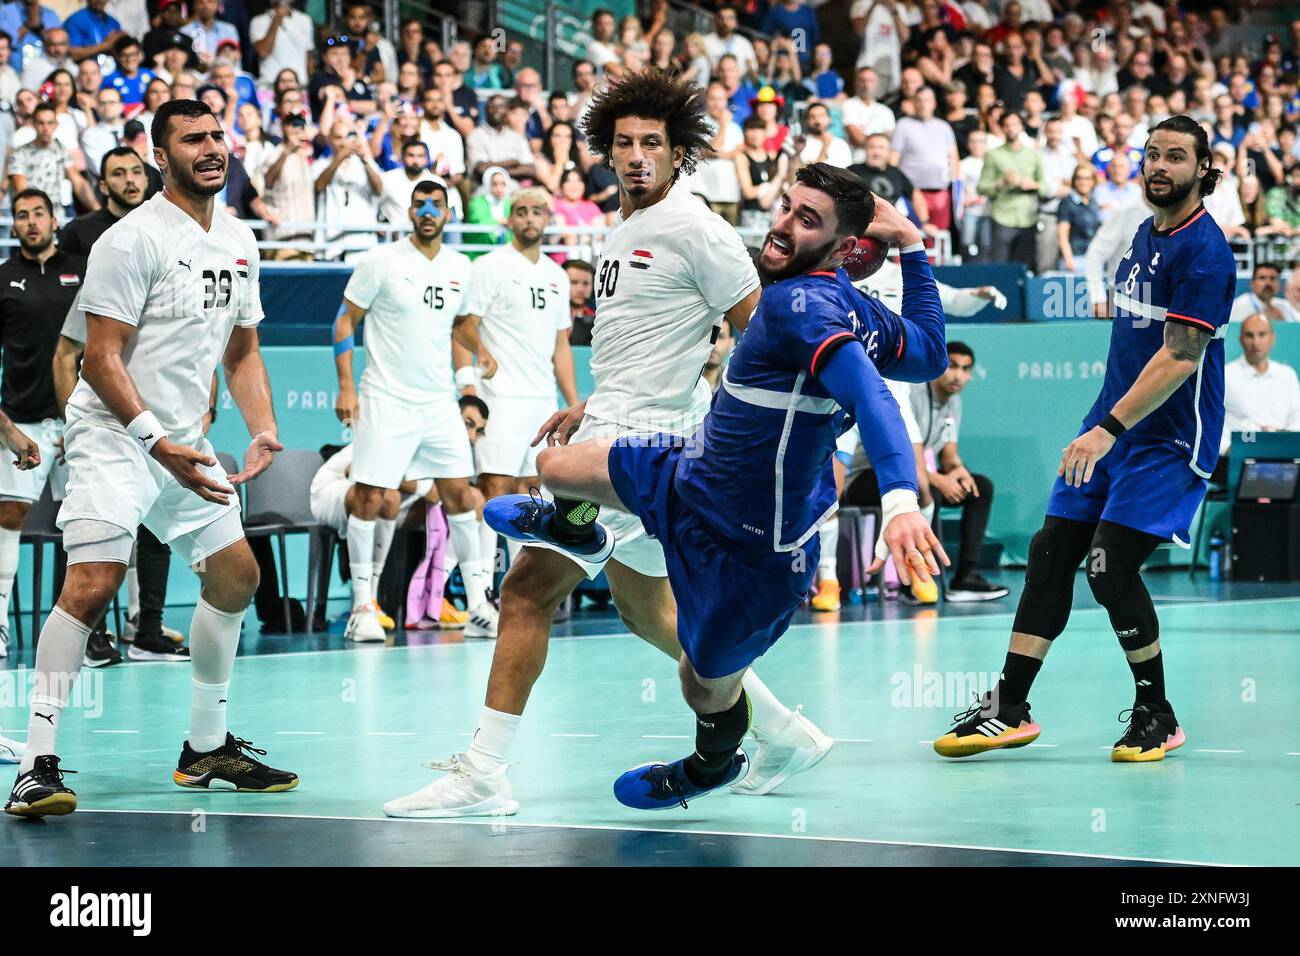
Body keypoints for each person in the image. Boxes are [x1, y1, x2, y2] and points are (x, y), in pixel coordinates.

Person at [382, 70, 827, 819]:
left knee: (525, 591)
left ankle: (485, 770)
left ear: (679, 153)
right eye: (623, 143)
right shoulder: (620, 229)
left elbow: (760, 329)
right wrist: (591, 401)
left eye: (653, 143)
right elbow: (652, 340)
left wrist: (732, 420)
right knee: (644, 608)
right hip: (616, 428)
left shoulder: (698, 228)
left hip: (648, 448)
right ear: (606, 153)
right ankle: (783, 733)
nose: (636, 156)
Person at [484, 166, 948, 809]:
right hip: (688, 470)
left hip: (750, 543)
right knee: (559, 466)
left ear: (845, 249)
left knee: (701, 685)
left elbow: (874, 398)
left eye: (807, 220)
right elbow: (929, 351)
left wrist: (900, 499)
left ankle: (711, 766)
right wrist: (917, 248)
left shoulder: (803, 309)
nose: (783, 224)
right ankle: (579, 529)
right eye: (787, 207)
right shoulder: (849, 303)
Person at [5, 99, 298, 819]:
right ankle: (35, 762)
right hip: (116, 435)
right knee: (94, 581)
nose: (210, 148)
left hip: (182, 441)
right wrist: (152, 441)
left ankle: (205, 746)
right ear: (160, 158)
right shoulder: (129, 241)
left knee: (236, 577)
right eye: (191, 139)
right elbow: (99, 358)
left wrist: (260, 424)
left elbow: (242, 351)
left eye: (216, 136)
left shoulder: (239, 238)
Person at [934, 115, 1237, 764]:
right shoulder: (1139, 233)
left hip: (1166, 441)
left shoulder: (1205, 252)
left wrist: (1107, 428)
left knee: (1108, 565)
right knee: (1048, 553)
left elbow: (1182, 356)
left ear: (1203, 172)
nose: (1159, 166)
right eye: (1152, 154)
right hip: (1111, 426)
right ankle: (1008, 708)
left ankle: (1157, 712)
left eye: (1176, 157)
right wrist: (1101, 424)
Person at [332, 182, 495, 643]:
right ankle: (362, 606)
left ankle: (480, 604)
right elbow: (345, 319)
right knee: (368, 497)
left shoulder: (461, 266)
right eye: (420, 205)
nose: (427, 212)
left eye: (436, 205)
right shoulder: (382, 262)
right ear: (408, 212)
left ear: (448, 213)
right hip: (385, 397)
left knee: (461, 495)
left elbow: (462, 322)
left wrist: (479, 350)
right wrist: (346, 384)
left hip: (438, 400)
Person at [452, 186, 577, 618]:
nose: (529, 218)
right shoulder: (488, 267)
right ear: (508, 220)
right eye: (520, 211)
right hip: (499, 398)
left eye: (536, 211)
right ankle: (482, 598)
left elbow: (561, 346)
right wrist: (470, 385)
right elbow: (462, 328)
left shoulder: (558, 276)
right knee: (495, 492)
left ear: (547, 219)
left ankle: (521, 594)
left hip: (541, 400)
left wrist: (573, 402)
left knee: (532, 495)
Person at [0, 190, 86, 662]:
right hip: (23, 422)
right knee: (9, 519)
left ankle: (85, 633)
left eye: (38, 213)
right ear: (13, 226)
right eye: (20, 215)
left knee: (92, 527)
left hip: (82, 424)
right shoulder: (3, 279)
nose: (30, 222)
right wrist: (8, 428)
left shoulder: (84, 272)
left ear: (55, 220)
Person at [908, 342, 1009, 601]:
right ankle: (913, 580)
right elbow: (902, 455)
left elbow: (949, 456)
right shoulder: (913, 394)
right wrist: (940, 481)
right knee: (929, 492)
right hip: (878, 471)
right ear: (939, 365)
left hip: (920, 473)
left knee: (979, 487)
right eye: (952, 366)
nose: (958, 376)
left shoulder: (954, 402)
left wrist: (959, 472)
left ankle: (964, 578)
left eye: (965, 369)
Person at [1222, 314, 1300, 456]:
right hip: (1236, 458)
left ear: (1272, 338)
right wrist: (1228, 451)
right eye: (1249, 335)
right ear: (1241, 339)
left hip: (1284, 457)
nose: (1255, 342)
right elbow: (1212, 425)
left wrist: (1289, 447)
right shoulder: (1226, 376)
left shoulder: (1287, 375)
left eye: (1262, 335)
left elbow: (1296, 420)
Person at [977, 111, 1044, 271]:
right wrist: (1001, 183)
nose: (1011, 129)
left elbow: (1045, 186)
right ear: (1002, 128)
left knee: (1024, 268)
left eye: (1014, 124)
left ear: (1021, 127)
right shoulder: (993, 155)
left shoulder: (1033, 155)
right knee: (1001, 267)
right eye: (1006, 125)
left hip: (1027, 216)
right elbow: (981, 187)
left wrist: (1032, 185)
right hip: (1002, 216)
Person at [250, 0, 314, 87]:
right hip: (270, 85)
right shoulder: (258, 21)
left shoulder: (305, 20)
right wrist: (277, 19)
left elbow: (308, 56)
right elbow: (263, 52)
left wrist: (312, 82)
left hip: (300, 84)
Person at [1229, 261, 1299, 323]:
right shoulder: (1240, 305)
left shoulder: (1284, 305)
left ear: (1279, 283)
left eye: (1273, 278)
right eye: (1262, 278)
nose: (1268, 282)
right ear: (1252, 284)